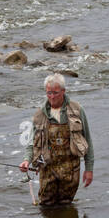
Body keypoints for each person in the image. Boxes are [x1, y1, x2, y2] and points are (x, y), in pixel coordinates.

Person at [20, 74, 93, 206]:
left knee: (67, 206)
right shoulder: (39, 115)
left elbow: (88, 140)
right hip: (48, 170)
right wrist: (26, 160)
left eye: (55, 93)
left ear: (63, 91)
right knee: (46, 207)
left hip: (71, 172)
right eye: (49, 93)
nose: (52, 97)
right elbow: (31, 144)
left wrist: (89, 169)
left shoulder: (77, 110)